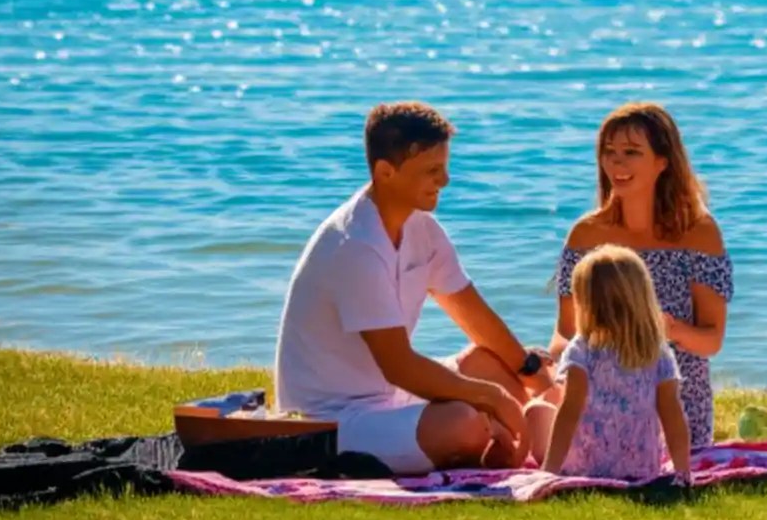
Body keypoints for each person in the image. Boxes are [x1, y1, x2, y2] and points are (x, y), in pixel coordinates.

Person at [273, 101, 553, 475]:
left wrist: (529, 370)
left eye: (444, 168)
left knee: (494, 363)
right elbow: (400, 367)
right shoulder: (355, 245)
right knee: (464, 423)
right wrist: (490, 398)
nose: (445, 181)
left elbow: (471, 312)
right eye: (432, 171)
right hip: (337, 417)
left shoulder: (421, 228)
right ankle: (489, 438)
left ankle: (523, 434)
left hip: (392, 397)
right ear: (385, 172)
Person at [549, 102, 733, 448]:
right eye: (609, 151)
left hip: (674, 404)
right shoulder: (586, 235)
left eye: (631, 152)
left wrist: (669, 329)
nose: (616, 162)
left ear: (662, 162)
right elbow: (564, 333)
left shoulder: (698, 232)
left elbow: (712, 340)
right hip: (598, 395)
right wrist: (565, 360)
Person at [526, 245, 692, 482]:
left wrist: (549, 471)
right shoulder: (656, 351)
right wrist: (683, 473)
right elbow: (673, 415)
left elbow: (570, 410)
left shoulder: (582, 349)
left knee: (537, 412)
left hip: (586, 466)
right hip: (642, 467)